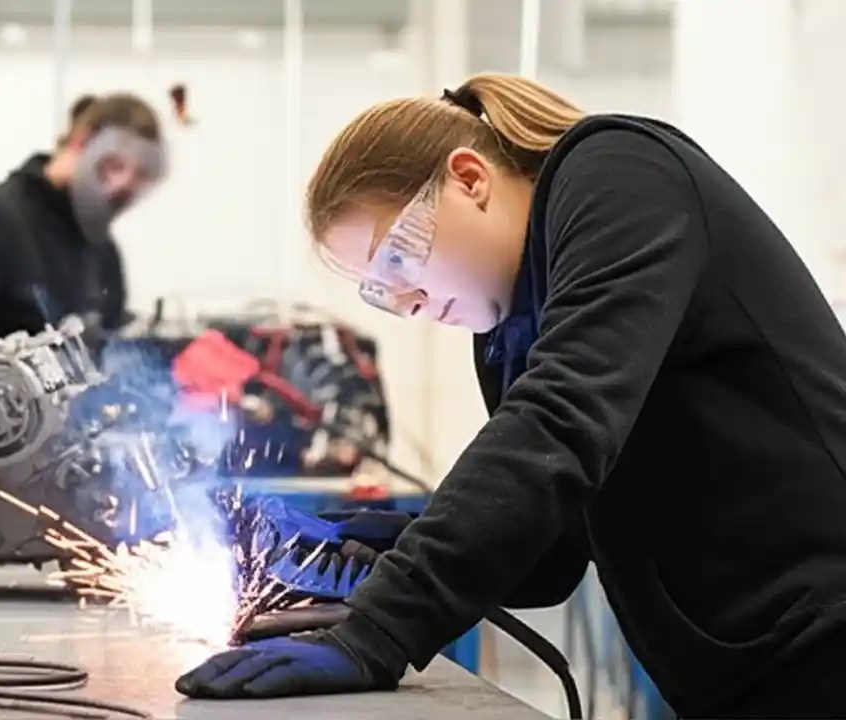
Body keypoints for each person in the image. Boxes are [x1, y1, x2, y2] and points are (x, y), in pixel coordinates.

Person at [175, 73, 846, 718]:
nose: (405, 302)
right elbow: (552, 549)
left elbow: (559, 422)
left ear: (470, 179)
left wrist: (378, 629)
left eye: (399, 258)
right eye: (379, 290)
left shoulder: (621, 176)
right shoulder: (513, 323)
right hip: (751, 674)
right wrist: (397, 551)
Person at [0, 93, 166, 382]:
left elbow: (106, 343)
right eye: (114, 166)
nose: (122, 186)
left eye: (141, 176)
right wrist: (27, 370)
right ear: (81, 142)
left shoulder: (102, 250)